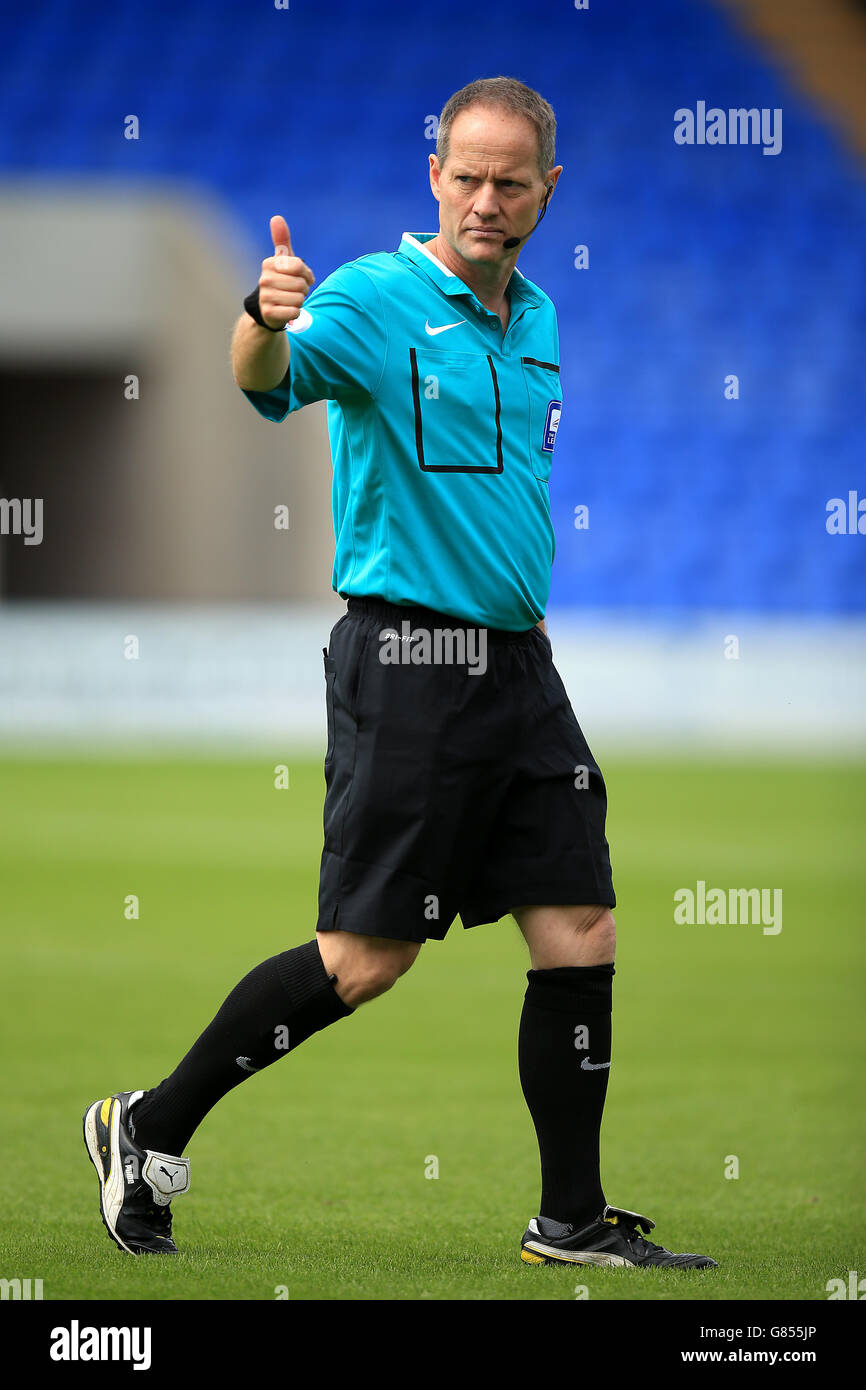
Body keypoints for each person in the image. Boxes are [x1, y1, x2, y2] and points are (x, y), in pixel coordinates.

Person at [83, 76, 716, 1271]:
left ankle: (567, 1218)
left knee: (579, 927)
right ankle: (147, 1126)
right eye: (465, 176)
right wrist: (261, 316)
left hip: (520, 666)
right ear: (434, 175)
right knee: (364, 960)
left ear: (546, 190)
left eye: (508, 180)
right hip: (410, 661)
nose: (485, 199)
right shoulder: (375, 300)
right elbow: (263, 380)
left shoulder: (537, 319)